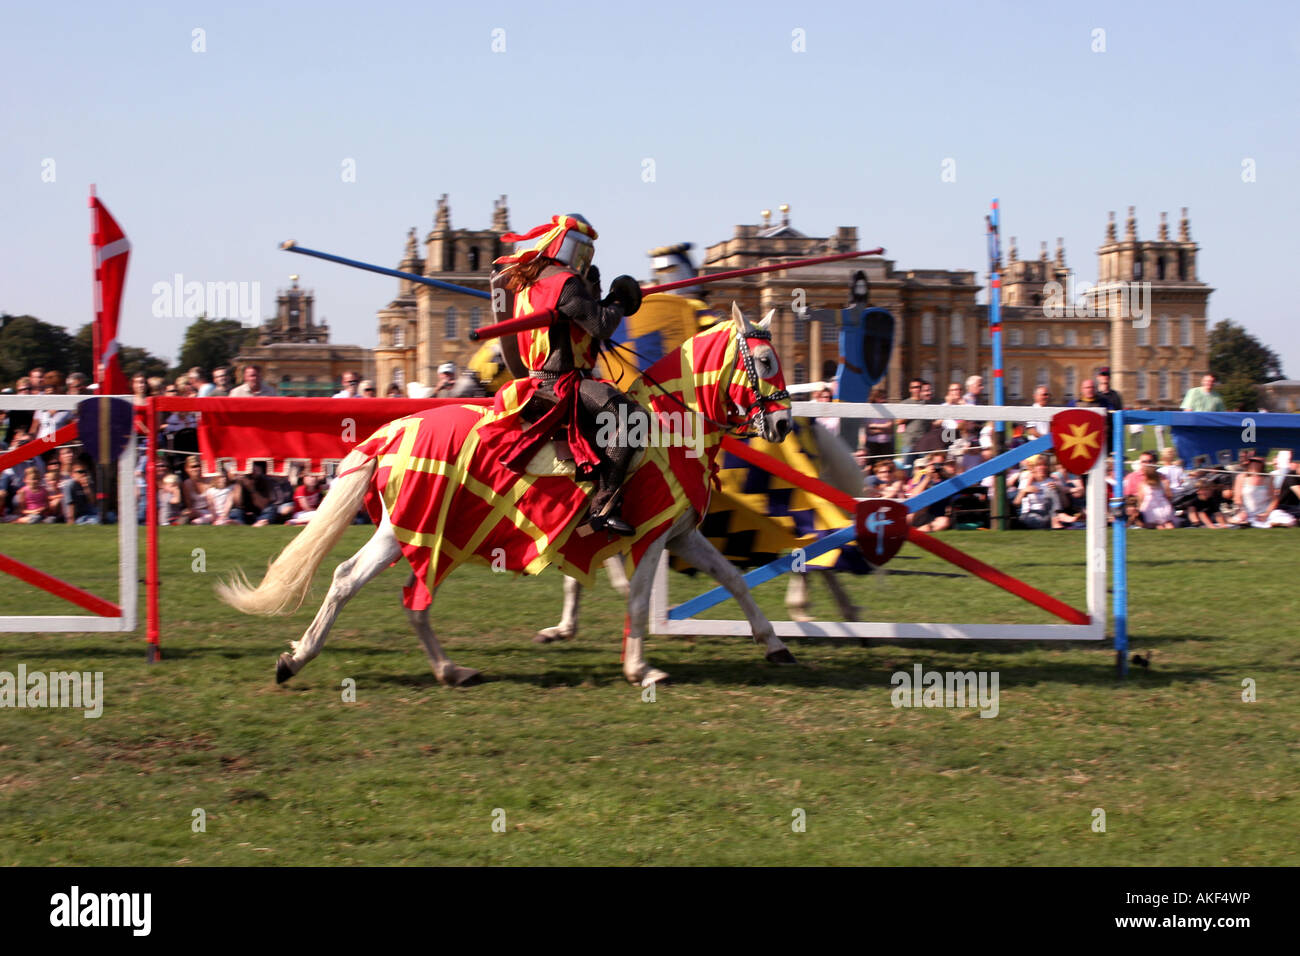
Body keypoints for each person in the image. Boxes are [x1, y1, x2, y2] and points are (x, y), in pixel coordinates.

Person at [491, 213, 646, 535]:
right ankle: (603, 506)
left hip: (538, 377)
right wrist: (617, 302)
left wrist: (600, 296)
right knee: (633, 418)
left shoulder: (529, 281)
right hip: (562, 382)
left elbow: (584, 320)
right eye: (581, 250)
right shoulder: (564, 282)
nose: (583, 258)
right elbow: (601, 326)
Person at [1231, 457, 1296, 527]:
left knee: (1285, 518)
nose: (1256, 464)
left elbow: (1274, 499)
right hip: (1247, 512)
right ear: (1249, 463)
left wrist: (1266, 514)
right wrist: (1241, 511)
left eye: (1259, 462)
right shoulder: (1241, 477)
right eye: (1253, 461)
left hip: (1265, 511)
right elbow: (1237, 498)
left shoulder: (1269, 478)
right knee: (1238, 519)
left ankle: (1274, 523)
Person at [1014, 459, 1064, 529]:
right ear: (1033, 468)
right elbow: (1016, 503)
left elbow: (1066, 504)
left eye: (1045, 465)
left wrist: (1058, 490)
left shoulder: (1052, 481)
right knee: (1037, 520)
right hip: (1031, 513)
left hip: (1049, 513)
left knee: (1051, 489)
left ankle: (1055, 519)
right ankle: (1054, 521)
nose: (1042, 467)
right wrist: (1024, 491)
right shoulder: (1026, 481)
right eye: (1039, 465)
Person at [1136, 463, 1176, 528]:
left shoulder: (1142, 485)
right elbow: (1169, 495)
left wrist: (1139, 507)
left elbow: (1140, 498)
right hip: (1164, 507)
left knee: (1157, 525)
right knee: (1168, 523)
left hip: (1150, 509)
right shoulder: (1163, 483)